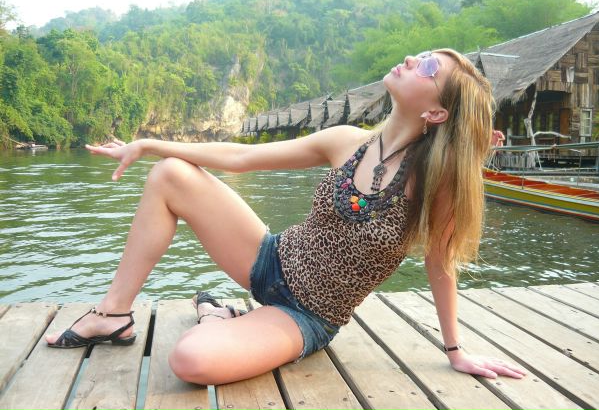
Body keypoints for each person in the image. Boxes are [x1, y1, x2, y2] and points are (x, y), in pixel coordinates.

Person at [46, 49, 527, 384]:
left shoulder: (436, 181)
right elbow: (239, 157)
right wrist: (149, 145)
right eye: (421, 55)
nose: (411, 60)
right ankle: (113, 315)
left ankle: (217, 316)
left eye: (428, 67)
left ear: (437, 113)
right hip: (268, 259)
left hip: (306, 314)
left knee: (190, 360)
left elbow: (441, 263)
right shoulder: (347, 141)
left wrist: (455, 351)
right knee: (170, 173)